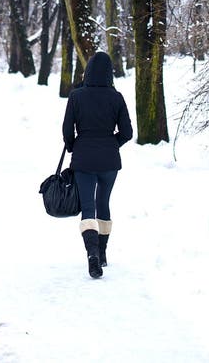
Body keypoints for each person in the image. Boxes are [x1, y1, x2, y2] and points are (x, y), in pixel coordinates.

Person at [62, 50, 133, 279]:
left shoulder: (76, 96)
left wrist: (74, 146)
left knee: (88, 207)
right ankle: (102, 253)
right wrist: (113, 143)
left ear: (88, 72)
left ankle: (91, 254)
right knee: (103, 203)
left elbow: (66, 130)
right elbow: (128, 132)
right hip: (109, 160)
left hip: (83, 159)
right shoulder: (117, 97)